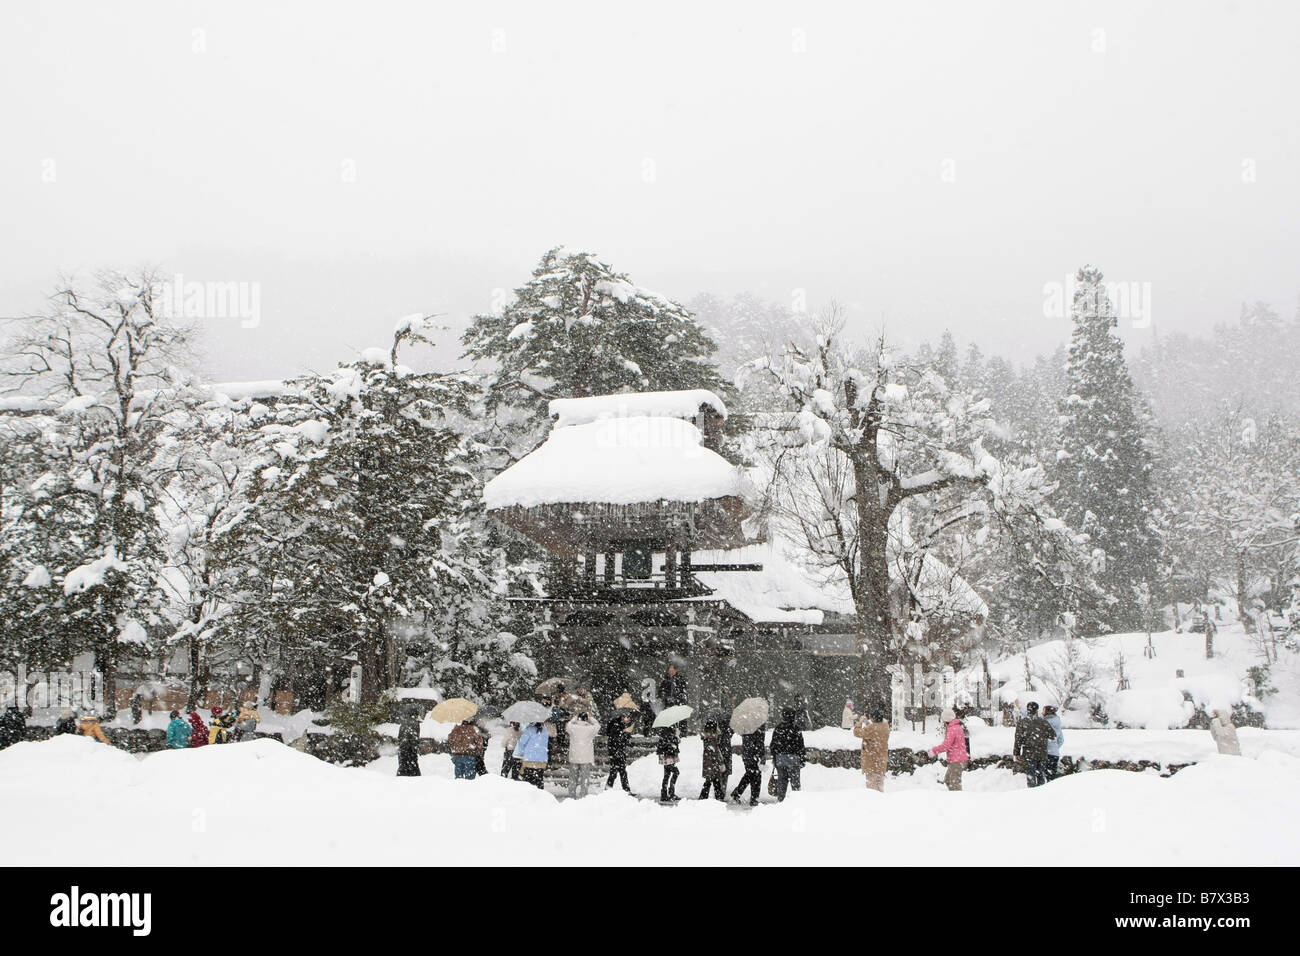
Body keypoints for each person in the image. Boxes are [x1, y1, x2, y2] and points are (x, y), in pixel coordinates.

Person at [926, 707, 970, 791]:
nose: (943, 722)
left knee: (954, 784)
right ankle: (952, 799)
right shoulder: (957, 727)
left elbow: (946, 745)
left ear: (946, 719)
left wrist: (934, 751)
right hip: (958, 759)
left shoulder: (953, 729)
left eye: (943, 720)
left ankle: (957, 800)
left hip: (957, 761)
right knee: (948, 781)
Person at [1013, 701, 1054, 787]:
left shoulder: (1022, 722)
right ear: (1037, 710)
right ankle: (1041, 790)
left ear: (1028, 710)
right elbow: (1052, 735)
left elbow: (1018, 739)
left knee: (1031, 774)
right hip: (1042, 752)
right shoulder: (1043, 722)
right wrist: (1043, 736)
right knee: (1041, 774)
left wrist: (1016, 752)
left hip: (1029, 752)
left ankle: (1032, 792)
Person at [770, 708, 806, 801]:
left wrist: (775, 758)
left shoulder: (778, 728)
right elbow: (800, 745)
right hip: (793, 759)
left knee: (782, 782)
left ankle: (781, 801)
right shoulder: (796, 729)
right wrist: (802, 758)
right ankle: (797, 801)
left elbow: (773, 745)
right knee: (795, 783)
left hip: (780, 759)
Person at [853, 708, 890, 792]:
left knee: (872, 788)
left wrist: (860, 722)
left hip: (872, 761)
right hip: (881, 761)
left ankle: (874, 803)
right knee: (879, 785)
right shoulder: (885, 726)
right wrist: (867, 722)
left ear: (873, 718)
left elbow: (857, 732)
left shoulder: (873, 728)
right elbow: (873, 730)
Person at [566, 710, 599, 799]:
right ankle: (583, 796)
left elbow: (568, 724)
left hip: (574, 756)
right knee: (585, 779)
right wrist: (591, 717)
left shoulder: (572, 727)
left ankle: (571, 796)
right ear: (586, 719)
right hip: (586, 757)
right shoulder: (590, 728)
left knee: (573, 778)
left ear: (578, 719)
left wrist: (575, 717)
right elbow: (598, 725)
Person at [731, 724, 766, 805]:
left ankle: (738, 794)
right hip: (754, 754)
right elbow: (760, 742)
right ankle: (754, 798)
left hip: (747, 754)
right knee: (755, 776)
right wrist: (761, 756)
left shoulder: (746, 724)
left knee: (749, 775)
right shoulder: (759, 725)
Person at [513, 721, 551, 789]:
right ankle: (540, 795)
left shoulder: (530, 730)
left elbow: (521, 743)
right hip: (542, 760)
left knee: (528, 781)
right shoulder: (545, 730)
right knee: (539, 779)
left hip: (529, 759)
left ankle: (530, 796)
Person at [699, 718, 729, 800]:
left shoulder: (706, 736)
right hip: (713, 760)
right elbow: (715, 750)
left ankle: (706, 796)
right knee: (713, 780)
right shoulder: (712, 737)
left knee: (712, 779)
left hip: (707, 761)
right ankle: (716, 795)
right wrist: (720, 761)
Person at [604, 711, 634, 792]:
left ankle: (624, 790)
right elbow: (617, 741)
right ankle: (624, 790)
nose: (629, 719)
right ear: (622, 717)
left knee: (619, 772)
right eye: (627, 717)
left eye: (629, 717)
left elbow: (622, 741)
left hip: (617, 752)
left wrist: (627, 737)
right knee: (617, 772)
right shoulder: (616, 727)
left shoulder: (620, 726)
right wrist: (625, 735)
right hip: (616, 753)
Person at [657, 723, 681, 801]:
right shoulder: (666, 731)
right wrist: (676, 736)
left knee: (667, 775)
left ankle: (665, 794)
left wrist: (677, 736)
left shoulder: (667, 730)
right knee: (675, 772)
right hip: (668, 756)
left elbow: (672, 743)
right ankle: (670, 793)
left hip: (668, 756)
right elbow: (669, 744)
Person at [396, 701, 421, 777]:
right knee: (413, 765)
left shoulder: (403, 723)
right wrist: (416, 746)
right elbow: (415, 738)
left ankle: (401, 776)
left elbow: (400, 736)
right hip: (410, 748)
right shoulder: (415, 724)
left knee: (403, 765)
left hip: (403, 747)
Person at [1043, 705, 1065, 779]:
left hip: (1045, 752)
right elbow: (1061, 740)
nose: (1042, 712)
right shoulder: (1058, 723)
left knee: (1044, 775)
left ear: (1047, 712)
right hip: (1055, 753)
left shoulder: (1044, 722)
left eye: (1043, 710)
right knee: (1052, 776)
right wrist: (1055, 747)